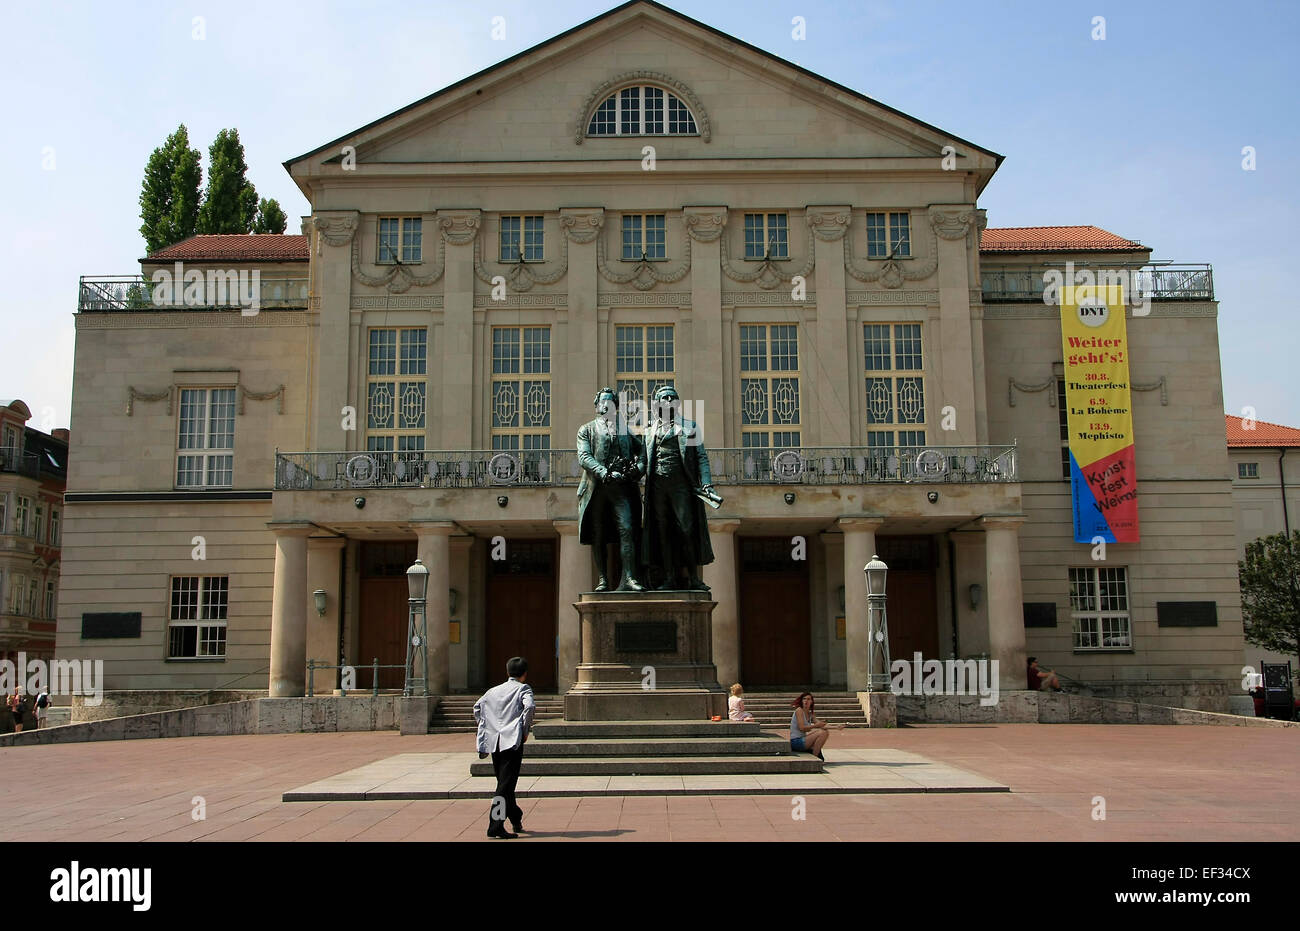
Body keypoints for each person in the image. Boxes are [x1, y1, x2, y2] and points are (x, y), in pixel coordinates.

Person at [643, 385, 716, 590]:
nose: (669, 400)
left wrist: (707, 483)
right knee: (663, 532)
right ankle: (668, 578)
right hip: (657, 487)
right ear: (657, 403)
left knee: (686, 529)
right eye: (664, 397)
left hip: (680, 486)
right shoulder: (649, 430)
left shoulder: (690, 426)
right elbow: (643, 460)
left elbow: (701, 457)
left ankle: (693, 577)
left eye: (672, 397)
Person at [576, 387, 646, 592]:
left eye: (611, 402)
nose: (606, 405)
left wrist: (638, 469)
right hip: (597, 489)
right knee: (598, 534)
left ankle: (630, 578)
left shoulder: (625, 430)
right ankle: (603, 579)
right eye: (603, 402)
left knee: (627, 528)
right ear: (597, 406)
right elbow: (584, 457)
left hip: (622, 488)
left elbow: (643, 450)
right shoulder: (586, 429)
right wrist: (604, 472)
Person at [473, 656, 535, 839]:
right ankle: (495, 824)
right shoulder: (523, 688)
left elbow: (477, 708)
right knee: (504, 785)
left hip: (494, 741)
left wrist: (487, 726)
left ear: (507, 672)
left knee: (505, 783)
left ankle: (515, 816)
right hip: (511, 740)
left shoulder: (493, 691)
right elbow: (530, 706)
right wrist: (525, 729)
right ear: (524, 674)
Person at [790, 691, 839, 761]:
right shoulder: (799, 710)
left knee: (825, 732)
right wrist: (815, 725)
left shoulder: (810, 714)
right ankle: (815, 758)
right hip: (796, 742)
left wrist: (836, 727)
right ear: (801, 701)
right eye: (804, 699)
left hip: (803, 740)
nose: (806, 701)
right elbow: (802, 728)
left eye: (808, 699)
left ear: (811, 702)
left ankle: (816, 756)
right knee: (822, 733)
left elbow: (821, 725)